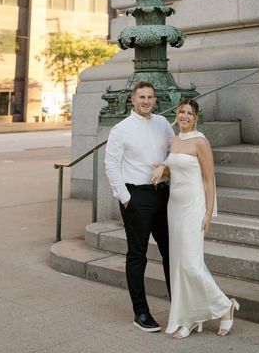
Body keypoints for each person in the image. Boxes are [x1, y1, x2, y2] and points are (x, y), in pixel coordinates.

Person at [152, 98, 240, 339]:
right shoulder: (175, 140)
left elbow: (210, 180)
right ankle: (188, 319)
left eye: (189, 113)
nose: (184, 116)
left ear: (196, 117)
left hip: (194, 206)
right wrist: (163, 168)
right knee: (179, 265)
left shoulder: (200, 142)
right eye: (181, 112)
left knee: (191, 264)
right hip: (175, 206)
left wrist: (209, 213)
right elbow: (175, 167)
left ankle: (224, 307)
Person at [104, 81, 174, 332]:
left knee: (171, 252)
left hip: (163, 195)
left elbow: (174, 151)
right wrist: (126, 198)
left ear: (155, 100)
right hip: (136, 198)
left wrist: (165, 166)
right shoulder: (120, 130)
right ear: (133, 100)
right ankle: (141, 313)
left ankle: (178, 306)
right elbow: (111, 166)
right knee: (137, 256)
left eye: (151, 97)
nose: (146, 101)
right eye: (142, 97)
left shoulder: (163, 124)